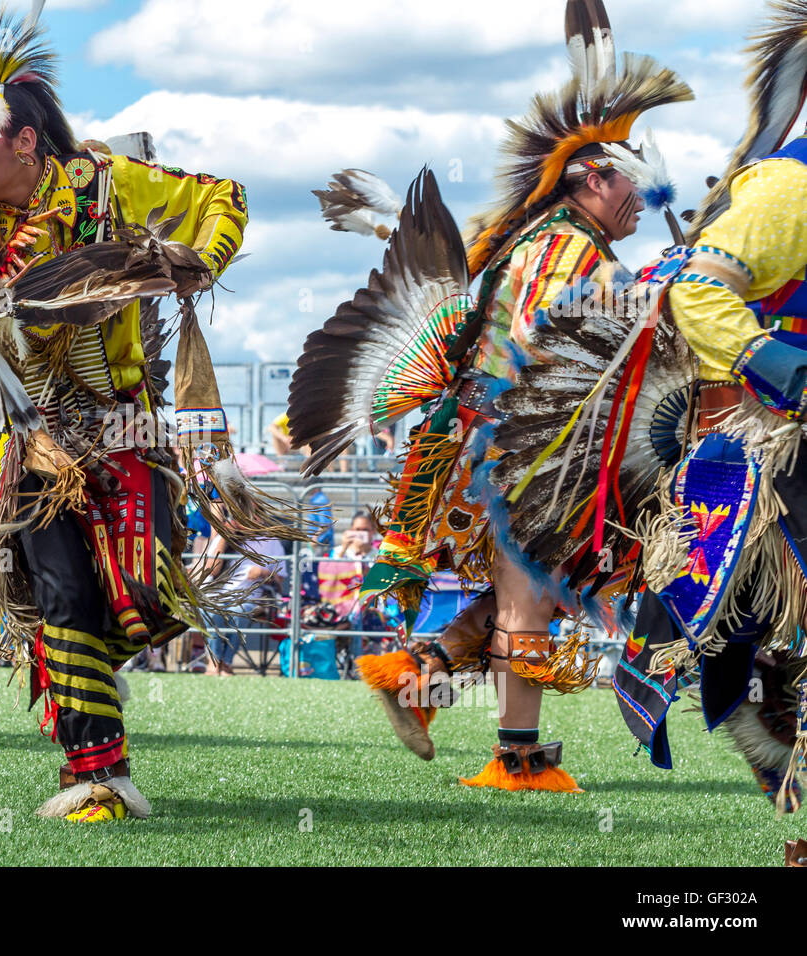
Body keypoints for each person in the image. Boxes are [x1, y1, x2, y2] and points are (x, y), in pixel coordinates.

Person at [0, 0, 279, 821]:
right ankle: (95, 773)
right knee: (61, 595)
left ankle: (90, 691)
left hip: (124, 426)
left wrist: (193, 266)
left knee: (142, 598)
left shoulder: (107, 183)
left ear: (25, 141)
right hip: (27, 445)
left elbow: (223, 198)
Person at [287, 0, 691, 787]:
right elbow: (559, 344)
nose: (640, 198)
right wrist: (669, 295)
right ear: (592, 177)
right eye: (629, 182)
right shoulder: (572, 253)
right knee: (532, 598)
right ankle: (517, 759)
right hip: (515, 453)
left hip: (512, 448)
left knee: (549, 585)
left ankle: (419, 679)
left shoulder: (557, 244)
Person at [605, 4, 807, 813]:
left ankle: (774, 716)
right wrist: (773, 358)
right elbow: (696, 285)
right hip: (780, 448)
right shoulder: (793, 188)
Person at [202, 524, 285, 676]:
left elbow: (280, 578)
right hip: (216, 595)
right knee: (211, 612)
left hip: (249, 598)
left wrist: (263, 572)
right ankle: (214, 661)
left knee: (238, 613)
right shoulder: (222, 537)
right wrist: (225, 538)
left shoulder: (271, 541)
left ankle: (226, 663)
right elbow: (211, 570)